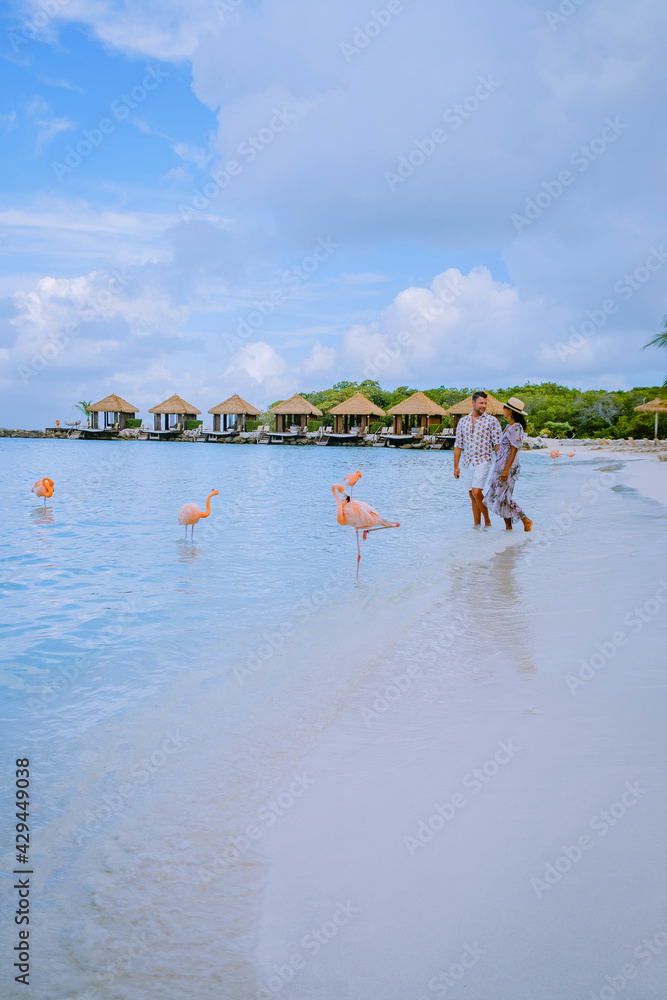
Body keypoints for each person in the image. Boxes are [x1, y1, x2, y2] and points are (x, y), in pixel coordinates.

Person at [484, 396, 533, 531]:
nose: (503, 409)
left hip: (507, 467)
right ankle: (508, 528)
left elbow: (514, 449)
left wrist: (506, 469)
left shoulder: (516, 427)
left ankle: (525, 520)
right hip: (500, 466)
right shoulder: (508, 427)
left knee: (504, 497)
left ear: (510, 411)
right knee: (502, 497)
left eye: (505, 408)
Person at [453, 391, 501, 526]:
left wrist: (500, 464)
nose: (484, 406)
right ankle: (477, 526)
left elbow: (497, 444)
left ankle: (487, 521)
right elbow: (458, 446)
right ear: (473, 402)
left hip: (483, 460)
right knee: (471, 495)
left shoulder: (492, 421)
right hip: (467, 462)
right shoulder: (463, 421)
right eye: (481, 403)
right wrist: (456, 466)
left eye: (485, 403)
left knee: (477, 491)